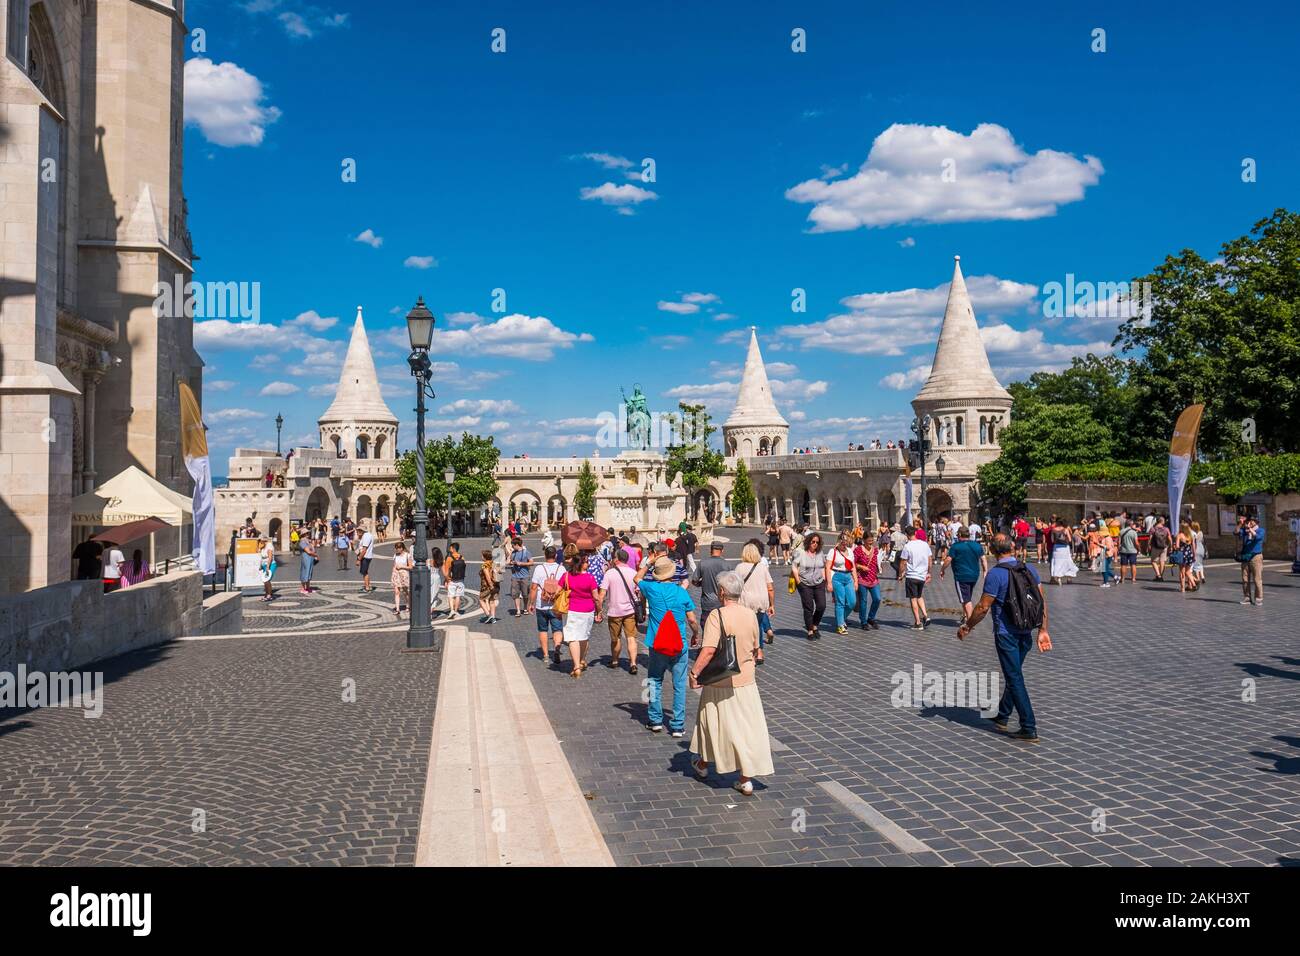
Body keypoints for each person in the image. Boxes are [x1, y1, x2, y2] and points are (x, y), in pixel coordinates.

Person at [957, 533, 1052, 743]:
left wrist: (967, 626)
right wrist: (1043, 630)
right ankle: (1002, 715)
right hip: (1026, 632)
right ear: (1013, 548)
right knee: (1014, 673)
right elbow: (1041, 601)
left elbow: (982, 607)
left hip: (1006, 634)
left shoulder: (996, 574)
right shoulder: (1029, 569)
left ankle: (1029, 726)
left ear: (992, 551)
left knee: (1014, 678)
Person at [688, 571, 775, 797]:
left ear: (722, 592)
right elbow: (756, 648)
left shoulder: (717, 615)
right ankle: (745, 780)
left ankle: (704, 765)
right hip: (746, 681)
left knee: (712, 724)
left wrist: (695, 672)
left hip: (719, 681)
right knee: (746, 730)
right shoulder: (750, 614)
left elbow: (708, 650)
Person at [635, 555, 701, 737]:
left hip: (657, 644)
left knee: (654, 681)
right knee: (679, 684)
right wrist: (696, 634)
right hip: (679, 644)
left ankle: (655, 720)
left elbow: (637, 578)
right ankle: (678, 725)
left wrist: (648, 562)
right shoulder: (681, 592)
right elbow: (692, 619)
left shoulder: (651, 588)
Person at [598, 547, 641, 673]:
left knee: (615, 638)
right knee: (631, 637)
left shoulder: (610, 573)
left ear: (616, 559)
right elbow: (638, 592)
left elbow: (601, 595)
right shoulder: (633, 573)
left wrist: (599, 611)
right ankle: (633, 663)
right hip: (630, 611)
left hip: (614, 611)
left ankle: (615, 660)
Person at [559, 551, 600, 678]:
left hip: (572, 610)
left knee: (573, 637)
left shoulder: (566, 576)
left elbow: (557, 590)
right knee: (584, 636)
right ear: (582, 564)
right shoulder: (590, 578)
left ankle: (576, 666)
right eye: (587, 561)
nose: (588, 563)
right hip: (588, 611)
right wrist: (600, 611)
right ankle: (581, 660)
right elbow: (596, 597)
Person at [528, 547, 566, 664]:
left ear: (545, 555)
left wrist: (531, 603)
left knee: (543, 630)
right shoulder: (561, 568)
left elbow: (534, 588)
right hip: (556, 605)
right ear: (555, 556)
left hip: (541, 605)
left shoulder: (539, 568)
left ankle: (545, 655)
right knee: (558, 630)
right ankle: (556, 649)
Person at [942, 526, 986, 624]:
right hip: (974, 575)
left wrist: (942, 569)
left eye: (958, 535)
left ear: (960, 535)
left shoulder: (955, 546)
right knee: (967, 597)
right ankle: (966, 616)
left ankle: (970, 622)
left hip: (961, 576)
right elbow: (983, 559)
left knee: (966, 600)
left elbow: (948, 559)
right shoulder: (977, 546)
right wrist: (985, 571)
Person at [736, 543, 775, 646]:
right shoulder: (762, 567)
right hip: (761, 601)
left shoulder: (739, 567)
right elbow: (770, 588)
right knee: (758, 626)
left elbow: (736, 586)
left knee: (746, 627)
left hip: (746, 601)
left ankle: (749, 649)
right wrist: (771, 605)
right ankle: (759, 652)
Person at [791, 531, 827, 639]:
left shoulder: (820, 553)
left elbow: (823, 566)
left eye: (817, 542)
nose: (815, 544)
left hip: (819, 583)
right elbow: (794, 566)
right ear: (808, 542)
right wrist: (799, 582)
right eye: (813, 542)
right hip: (805, 583)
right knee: (808, 607)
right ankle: (810, 630)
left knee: (821, 606)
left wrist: (824, 578)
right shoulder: (801, 553)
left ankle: (815, 625)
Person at [692, 540, 731, 628]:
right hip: (722, 602)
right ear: (722, 550)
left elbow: (694, 580)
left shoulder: (703, 563)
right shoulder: (727, 565)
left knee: (707, 628)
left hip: (707, 602)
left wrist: (702, 583)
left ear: (711, 550)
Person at [900, 526, 933, 629]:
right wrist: (928, 572)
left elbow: (903, 562)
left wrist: (900, 574)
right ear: (915, 533)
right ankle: (926, 616)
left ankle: (918, 623)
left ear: (907, 535)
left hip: (912, 575)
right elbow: (930, 560)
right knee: (919, 596)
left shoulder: (907, 546)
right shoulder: (924, 544)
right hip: (922, 575)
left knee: (913, 599)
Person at [827, 531, 856, 635]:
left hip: (848, 577)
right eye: (842, 541)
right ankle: (840, 625)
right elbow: (827, 567)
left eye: (846, 542)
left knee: (852, 602)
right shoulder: (832, 551)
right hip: (837, 577)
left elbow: (853, 567)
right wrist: (829, 582)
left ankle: (841, 618)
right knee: (840, 602)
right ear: (839, 541)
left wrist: (855, 581)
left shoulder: (850, 551)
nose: (844, 543)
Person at [851, 532, 882, 630]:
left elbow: (878, 561)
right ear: (863, 541)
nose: (870, 543)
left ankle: (871, 618)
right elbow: (852, 563)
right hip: (862, 579)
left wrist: (880, 567)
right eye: (868, 541)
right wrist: (861, 566)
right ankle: (863, 621)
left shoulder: (876, 550)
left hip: (873, 578)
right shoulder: (858, 550)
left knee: (877, 599)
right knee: (863, 601)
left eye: (872, 541)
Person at [1238, 515, 1265, 606]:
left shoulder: (1261, 530)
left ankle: (1258, 598)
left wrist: (1250, 529)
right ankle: (1247, 597)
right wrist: (1240, 524)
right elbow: (1236, 532)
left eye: (1253, 521)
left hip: (1256, 557)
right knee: (1245, 579)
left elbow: (1257, 537)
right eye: (1250, 520)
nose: (1251, 522)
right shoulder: (1245, 531)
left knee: (1257, 579)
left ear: (1257, 522)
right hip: (1245, 556)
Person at [507, 535, 532, 617]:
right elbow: (509, 561)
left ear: (517, 545)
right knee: (515, 594)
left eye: (513, 545)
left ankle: (525, 608)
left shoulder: (526, 552)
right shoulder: (513, 553)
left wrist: (521, 563)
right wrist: (511, 562)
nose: (512, 547)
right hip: (515, 576)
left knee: (525, 594)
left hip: (525, 576)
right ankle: (518, 610)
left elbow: (532, 562)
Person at [1048, 518, 1077, 585]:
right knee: (1067, 562)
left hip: (1056, 548)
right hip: (1065, 548)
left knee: (1057, 563)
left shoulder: (1053, 530)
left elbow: (1052, 540)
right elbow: (1069, 540)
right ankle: (1069, 578)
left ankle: (1058, 578)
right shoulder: (1065, 529)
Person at [391, 541, 413, 616]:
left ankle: (408, 605)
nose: (397, 550)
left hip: (404, 574)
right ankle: (397, 609)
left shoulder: (407, 555)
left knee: (405, 592)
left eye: (399, 548)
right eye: (396, 548)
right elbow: (394, 565)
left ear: (402, 548)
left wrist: (402, 567)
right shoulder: (395, 555)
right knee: (397, 592)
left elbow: (410, 567)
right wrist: (394, 572)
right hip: (396, 574)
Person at [478, 548, 500, 623]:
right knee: (492, 600)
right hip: (496, 584)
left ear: (484, 557)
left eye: (482, 556)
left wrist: (490, 585)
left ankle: (488, 615)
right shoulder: (494, 563)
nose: (481, 557)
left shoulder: (485, 565)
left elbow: (487, 576)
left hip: (487, 586)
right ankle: (493, 617)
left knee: (481, 599)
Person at [445, 543, 467, 615]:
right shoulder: (462, 557)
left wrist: (447, 580)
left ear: (453, 549)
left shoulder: (449, 558)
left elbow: (447, 570)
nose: (449, 549)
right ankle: (456, 610)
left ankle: (452, 610)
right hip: (460, 580)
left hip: (452, 580)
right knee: (458, 596)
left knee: (450, 596)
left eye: (450, 548)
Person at [1148, 516, 1172, 581]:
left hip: (1155, 547)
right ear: (1162, 521)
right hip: (1164, 547)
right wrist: (1171, 546)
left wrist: (1149, 545)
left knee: (1153, 561)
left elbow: (1150, 538)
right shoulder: (1166, 529)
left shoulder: (1153, 529)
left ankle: (1158, 575)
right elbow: (1169, 539)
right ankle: (1160, 576)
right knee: (1162, 561)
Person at [354, 521, 376, 593]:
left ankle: (367, 588)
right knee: (365, 572)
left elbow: (364, 550)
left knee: (364, 572)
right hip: (366, 556)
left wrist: (359, 559)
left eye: (358, 530)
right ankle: (368, 586)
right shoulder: (366, 536)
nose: (357, 532)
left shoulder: (366, 536)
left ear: (362, 530)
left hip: (365, 557)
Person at [1117, 518, 1139, 584]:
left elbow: (1119, 542)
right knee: (1133, 565)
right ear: (1131, 525)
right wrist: (1138, 549)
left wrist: (1119, 548)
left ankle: (1122, 579)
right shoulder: (1134, 532)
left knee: (1123, 565)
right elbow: (1136, 543)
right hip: (1133, 551)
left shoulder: (1121, 531)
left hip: (1123, 550)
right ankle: (1133, 579)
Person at [429, 546, 446, 617]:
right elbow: (444, 573)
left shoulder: (428, 561)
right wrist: (447, 580)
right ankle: (430, 612)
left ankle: (428, 612)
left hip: (429, 578)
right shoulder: (441, 562)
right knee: (434, 595)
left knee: (428, 594)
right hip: (436, 578)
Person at [259, 537, 276, 602]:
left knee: (267, 580)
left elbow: (270, 557)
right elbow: (262, 558)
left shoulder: (269, 546)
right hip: (264, 565)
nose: (260, 541)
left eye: (260, 540)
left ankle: (269, 595)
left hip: (270, 565)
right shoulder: (264, 546)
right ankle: (267, 594)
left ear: (264, 540)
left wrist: (268, 567)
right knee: (265, 581)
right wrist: (260, 565)